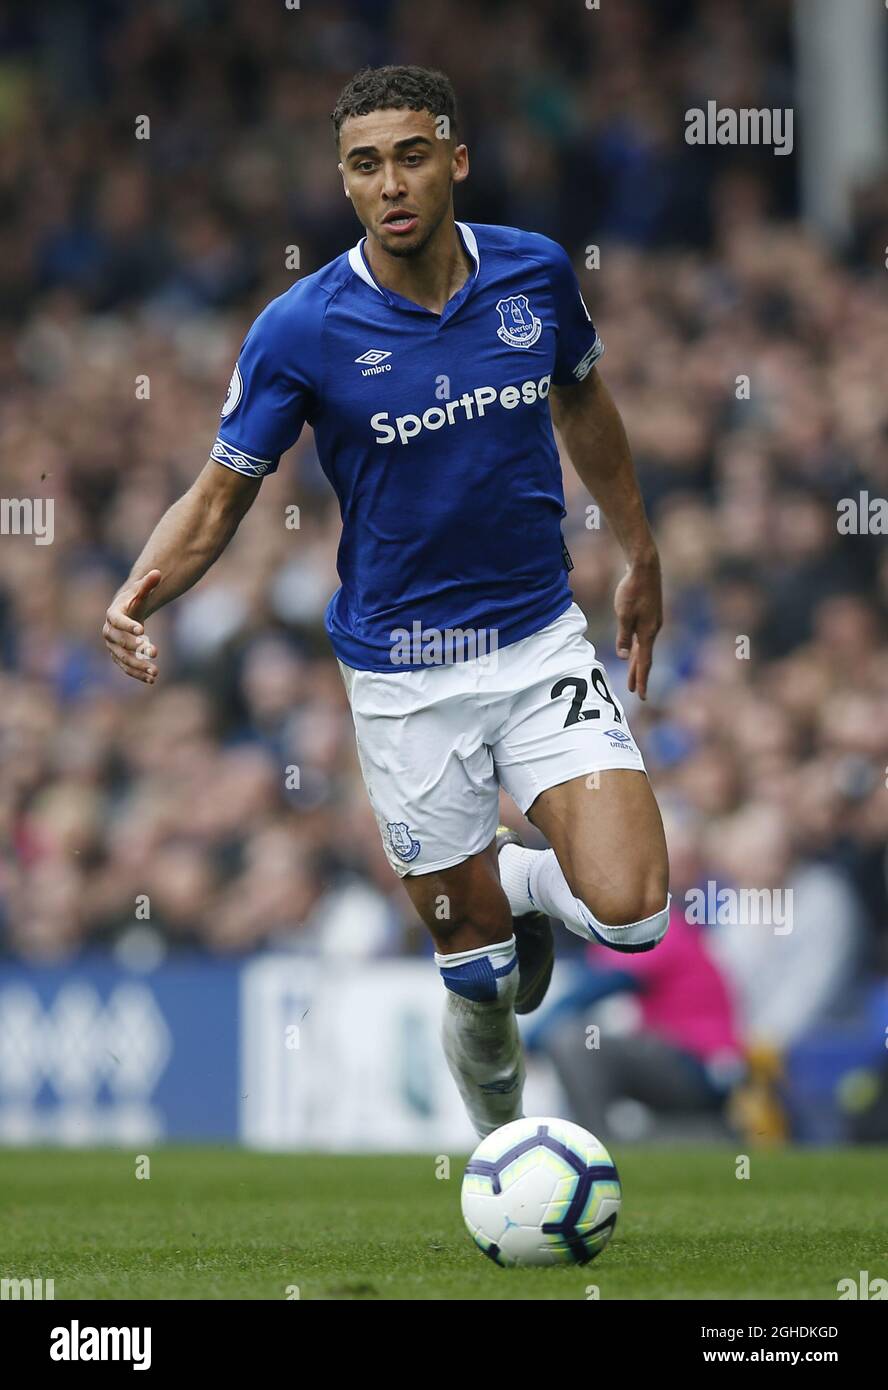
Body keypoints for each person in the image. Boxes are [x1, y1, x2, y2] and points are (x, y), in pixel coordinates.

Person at [102, 64, 669, 1139]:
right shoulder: (300, 328)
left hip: (540, 639)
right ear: (345, 183)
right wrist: (143, 589)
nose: (392, 183)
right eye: (366, 165)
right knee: (480, 983)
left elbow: (585, 398)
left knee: (635, 916)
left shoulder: (536, 275)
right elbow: (223, 494)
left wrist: (638, 547)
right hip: (406, 679)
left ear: (455, 161)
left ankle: (520, 879)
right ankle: (507, 1148)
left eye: (412, 156)